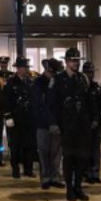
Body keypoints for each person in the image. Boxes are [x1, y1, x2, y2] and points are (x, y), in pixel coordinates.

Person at [55, 48, 93, 201]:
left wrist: (94, 118)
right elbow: (52, 104)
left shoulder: (83, 78)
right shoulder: (59, 79)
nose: (75, 63)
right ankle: (69, 189)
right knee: (69, 158)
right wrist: (55, 124)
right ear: (66, 62)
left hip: (82, 125)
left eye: (77, 60)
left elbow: (90, 101)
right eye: (72, 60)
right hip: (67, 125)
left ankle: (78, 187)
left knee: (82, 158)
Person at [32, 59, 64, 190]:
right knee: (44, 152)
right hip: (42, 124)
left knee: (56, 152)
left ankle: (55, 177)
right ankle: (45, 178)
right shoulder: (38, 83)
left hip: (56, 123)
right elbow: (38, 104)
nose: (53, 74)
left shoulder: (58, 82)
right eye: (52, 72)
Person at [4, 57, 37, 178]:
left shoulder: (30, 82)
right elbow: (6, 101)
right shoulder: (11, 83)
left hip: (29, 119)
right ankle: (16, 170)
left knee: (29, 145)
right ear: (18, 69)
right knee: (16, 147)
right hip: (16, 119)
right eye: (24, 67)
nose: (26, 70)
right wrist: (8, 116)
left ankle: (28, 169)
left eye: (27, 67)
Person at [82, 61, 101, 184]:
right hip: (85, 123)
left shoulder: (96, 87)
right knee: (86, 149)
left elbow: (100, 104)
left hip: (96, 122)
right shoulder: (81, 87)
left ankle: (95, 173)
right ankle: (86, 173)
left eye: (91, 72)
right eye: (88, 72)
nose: (90, 74)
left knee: (95, 149)